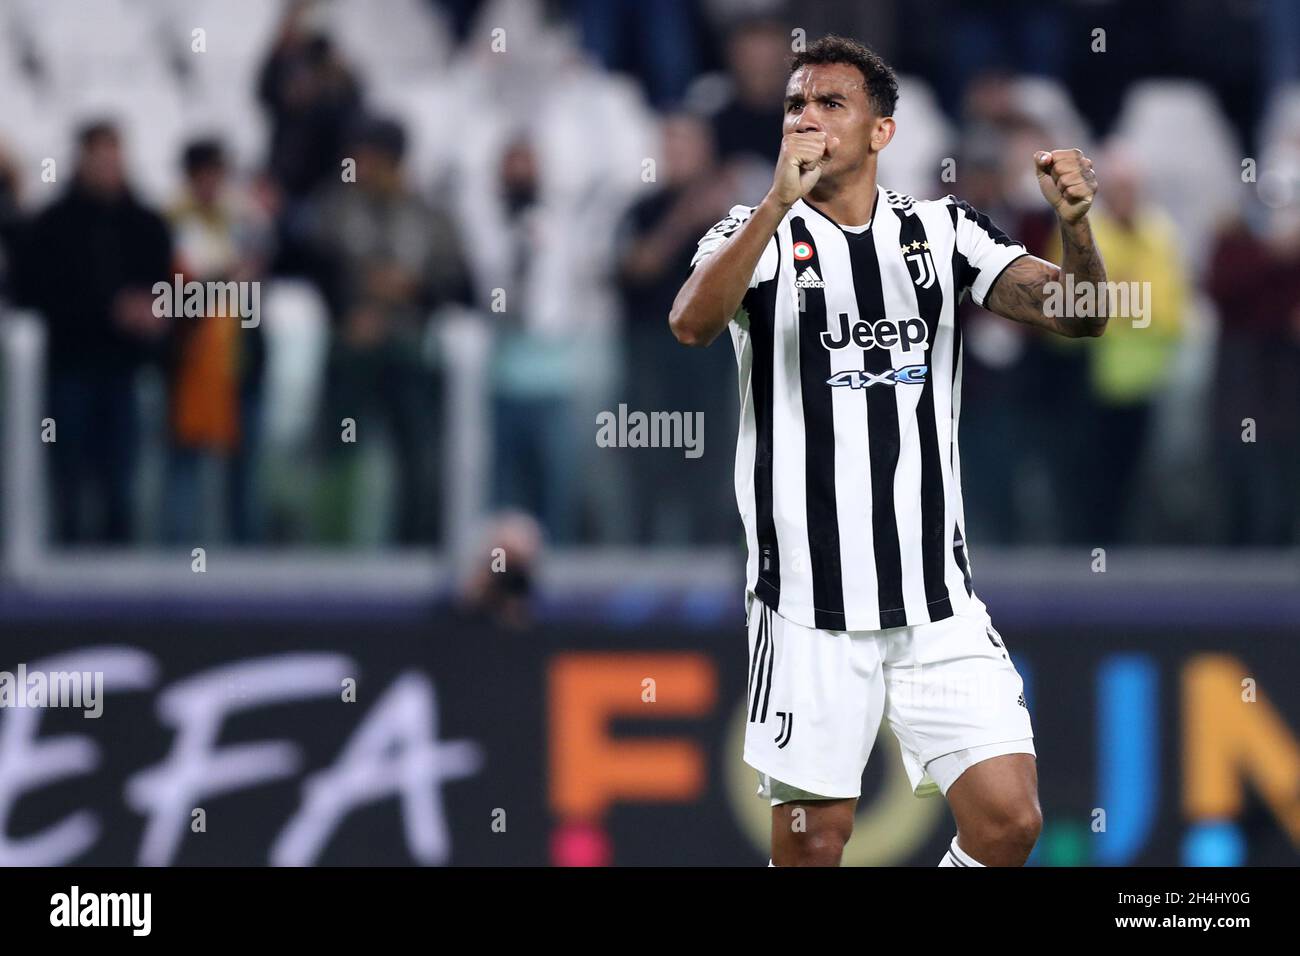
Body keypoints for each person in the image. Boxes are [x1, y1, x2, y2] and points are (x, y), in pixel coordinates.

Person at [669, 35, 1108, 867]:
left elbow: (1084, 314)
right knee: (814, 847)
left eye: (831, 103)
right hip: (809, 603)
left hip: (935, 600)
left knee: (1010, 823)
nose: (806, 117)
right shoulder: (752, 234)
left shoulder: (940, 233)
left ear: (882, 132)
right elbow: (690, 323)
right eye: (796, 103)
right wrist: (772, 205)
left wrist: (1076, 227)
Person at [15, 121, 172, 544]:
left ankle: (116, 577)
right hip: (71, 369)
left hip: (124, 371)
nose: (108, 168)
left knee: (121, 478)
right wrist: (108, 311)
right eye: (99, 159)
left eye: (114, 158)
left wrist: (151, 311)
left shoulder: (145, 223)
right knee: (69, 476)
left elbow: (167, 288)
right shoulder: (52, 225)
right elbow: (35, 294)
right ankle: (64, 575)